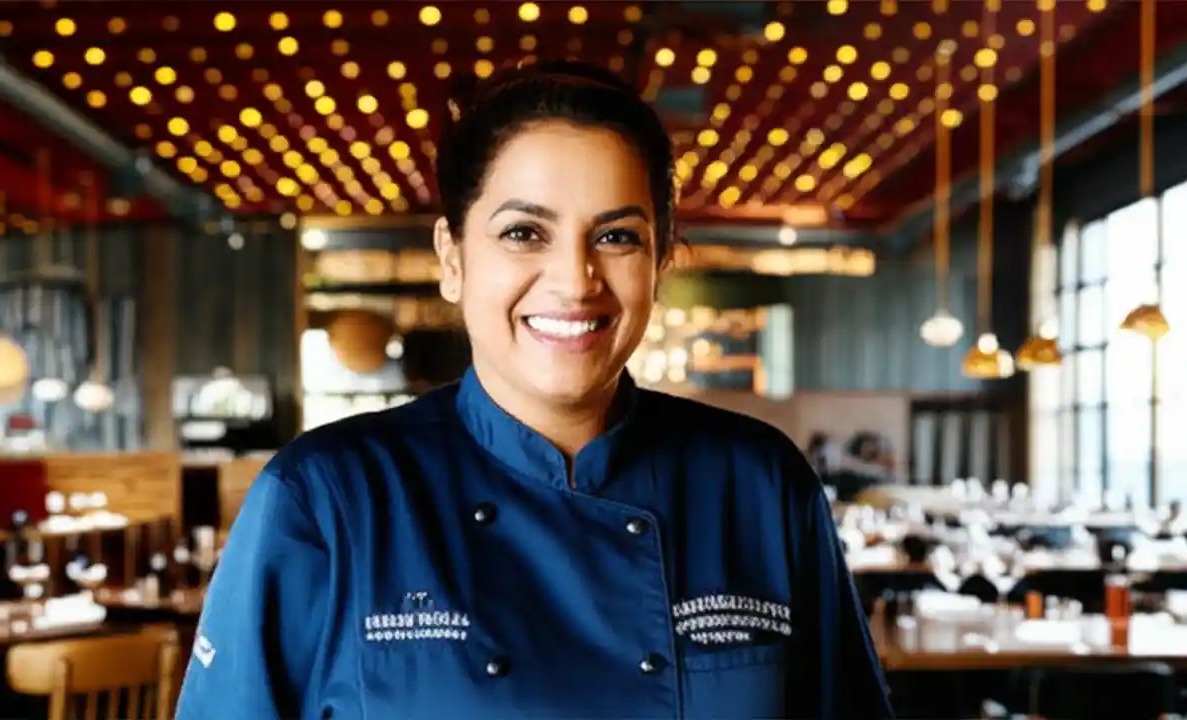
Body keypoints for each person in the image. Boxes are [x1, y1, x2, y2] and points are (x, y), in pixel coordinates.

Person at [176, 61, 892, 719]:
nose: (575, 280)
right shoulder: (328, 498)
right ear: (452, 258)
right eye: (524, 233)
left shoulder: (761, 484)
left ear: (660, 262)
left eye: (616, 237)